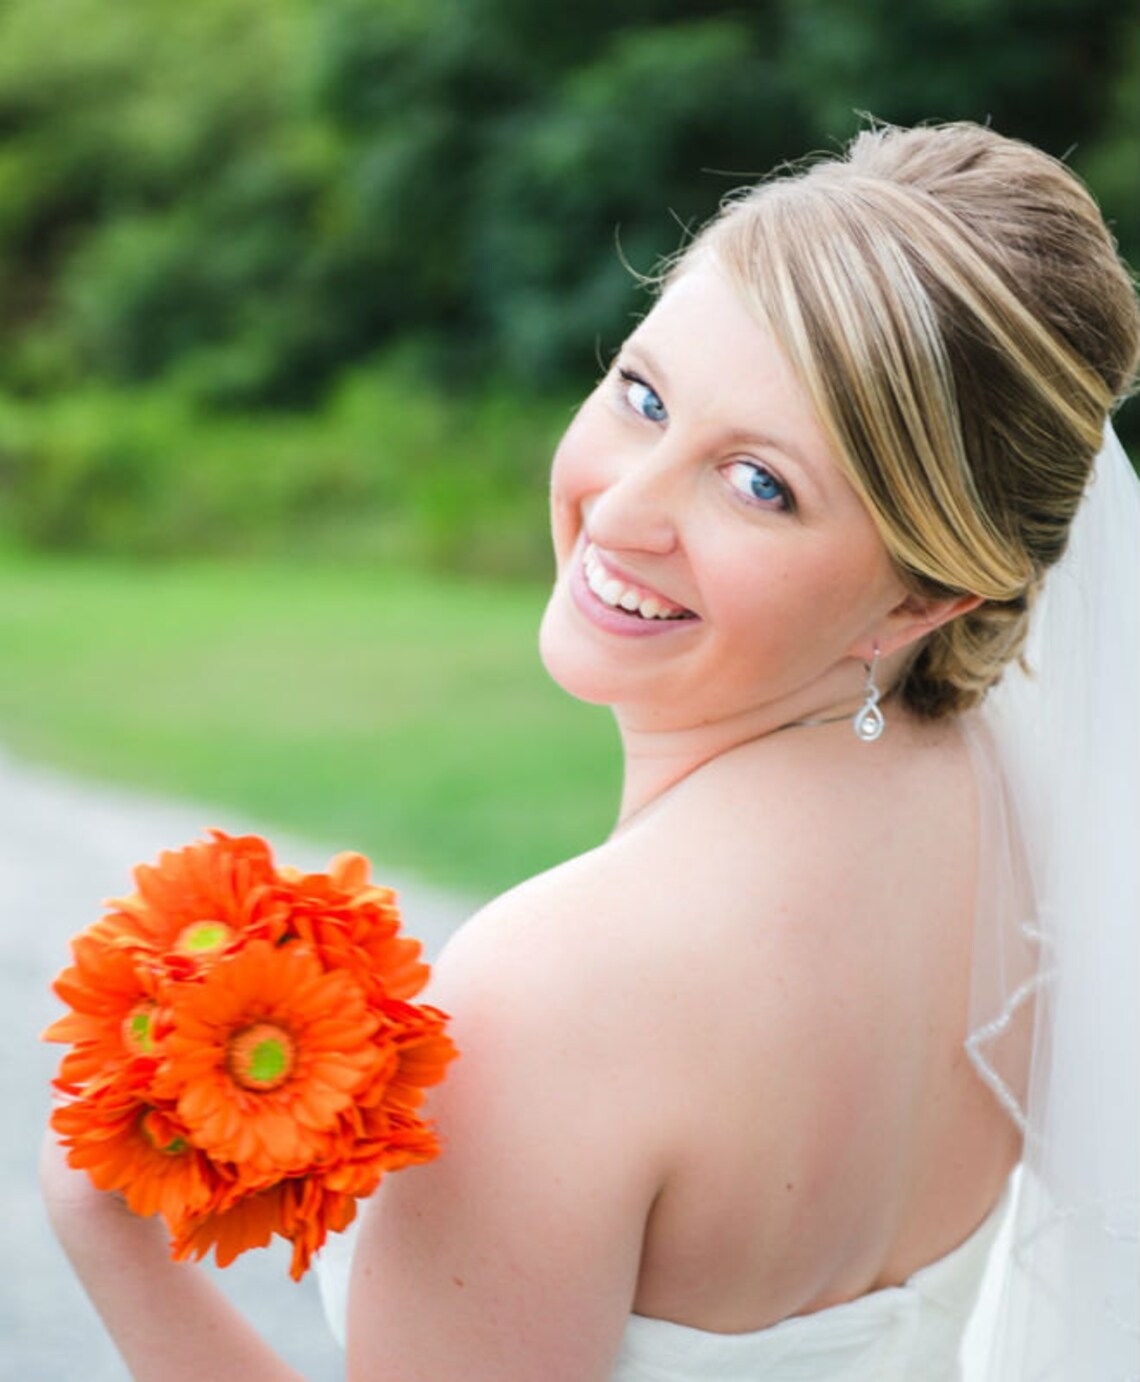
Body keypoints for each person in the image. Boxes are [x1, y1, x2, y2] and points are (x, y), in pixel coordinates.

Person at [41, 120, 1139, 1381]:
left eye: (759, 483)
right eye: (644, 395)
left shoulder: (550, 996)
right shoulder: (1012, 804)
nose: (619, 509)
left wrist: (107, 1237)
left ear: (921, 601)